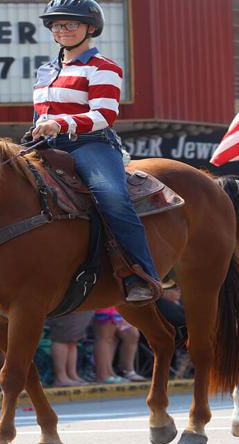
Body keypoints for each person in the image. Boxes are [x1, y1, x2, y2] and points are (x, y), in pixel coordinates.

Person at [28, 0, 159, 302]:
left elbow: (104, 116)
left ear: (91, 28)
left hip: (90, 144)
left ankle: (140, 275)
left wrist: (60, 124)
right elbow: (41, 113)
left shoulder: (104, 67)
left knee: (112, 198)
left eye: (70, 24)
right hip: (46, 144)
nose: (62, 30)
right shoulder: (45, 70)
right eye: (57, 25)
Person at [47, 308, 94, 387]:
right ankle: (61, 377)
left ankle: (72, 375)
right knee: (62, 339)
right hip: (69, 304)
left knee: (72, 341)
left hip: (80, 304)